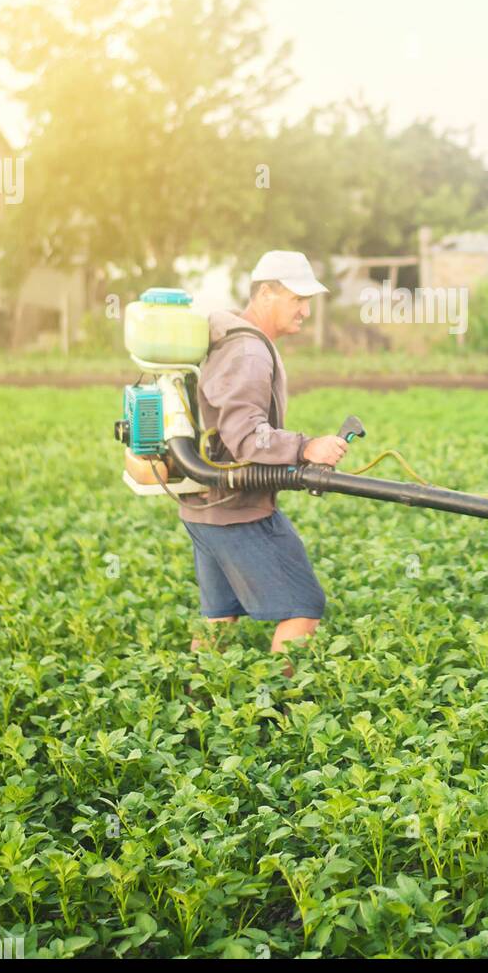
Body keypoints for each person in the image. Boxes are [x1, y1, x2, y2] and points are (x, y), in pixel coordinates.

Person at [179, 250, 348, 675]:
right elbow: (245, 437)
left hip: (205, 507)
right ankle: (283, 716)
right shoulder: (249, 352)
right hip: (237, 510)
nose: (306, 311)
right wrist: (307, 447)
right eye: (297, 299)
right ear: (266, 293)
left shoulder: (230, 338)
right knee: (304, 605)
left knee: (220, 615)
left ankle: (196, 711)